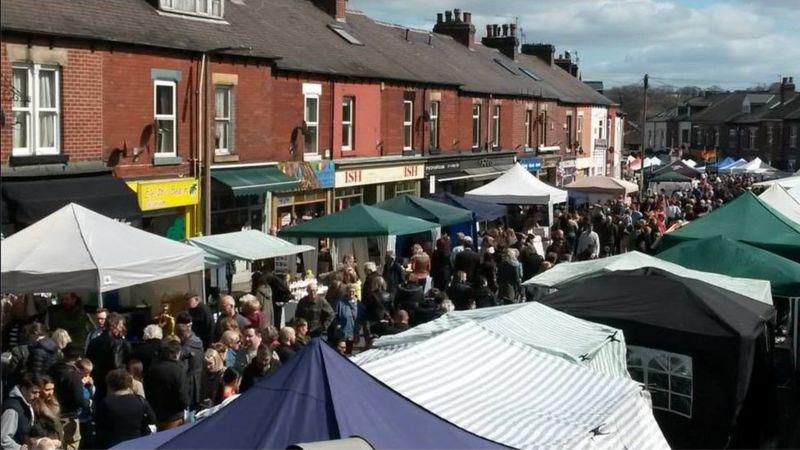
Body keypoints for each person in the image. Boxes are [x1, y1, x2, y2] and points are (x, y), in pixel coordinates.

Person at [94, 369, 156, 448]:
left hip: (115, 444)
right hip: (137, 442)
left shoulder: (106, 403)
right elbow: (153, 419)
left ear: (110, 385)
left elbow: (100, 425)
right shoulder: (140, 400)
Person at [47, 343, 87, 450]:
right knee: (71, 445)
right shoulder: (74, 375)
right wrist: (89, 403)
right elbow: (79, 399)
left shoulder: (52, 369)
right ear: (78, 357)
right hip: (69, 417)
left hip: (52, 413)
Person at [144, 340, 190, 431]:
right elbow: (182, 395)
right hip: (174, 416)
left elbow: (147, 389)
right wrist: (185, 405)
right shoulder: (178, 370)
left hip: (156, 413)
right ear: (177, 354)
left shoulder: (153, 367)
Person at [85, 312, 131, 402]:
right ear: (114, 326)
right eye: (120, 325)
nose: (122, 328)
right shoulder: (122, 343)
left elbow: (88, 360)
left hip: (99, 381)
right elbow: (127, 361)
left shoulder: (93, 342)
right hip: (117, 382)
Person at [1, 374, 41, 450]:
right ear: (23, 389)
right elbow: (3, 438)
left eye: (39, 392)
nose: (37, 396)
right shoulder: (12, 409)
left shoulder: (26, 403)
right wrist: (19, 448)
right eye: (34, 392)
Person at [176, 323, 203, 410]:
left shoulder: (185, 349)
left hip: (190, 382)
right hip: (200, 377)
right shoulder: (199, 342)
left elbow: (183, 368)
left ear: (181, 336)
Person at [32, 376, 62, 442]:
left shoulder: (53, 402)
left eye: (52, 389)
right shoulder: (35, 406)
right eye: (47, 390)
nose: (50, 393)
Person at [329, 285, 357, 354]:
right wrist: (337, 324)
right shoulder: (340, 303)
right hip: (342, 332)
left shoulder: (358, 304)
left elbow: (361, 318)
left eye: (353, 292)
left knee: (348, 352)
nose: (351, 294)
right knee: (340, 351)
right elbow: (334, 315)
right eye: (349, 292)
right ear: (346, 292)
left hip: (351, 332)